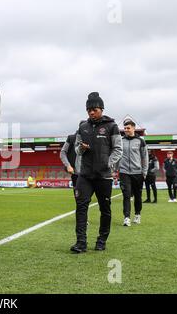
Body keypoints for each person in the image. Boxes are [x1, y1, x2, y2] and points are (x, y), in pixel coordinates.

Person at [71, 92, 122, 253]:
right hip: (84, 175)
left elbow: (118, 149)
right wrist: (81, 148)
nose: (91, 112)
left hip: (103, 176)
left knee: (105, 209)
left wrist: (107, 163)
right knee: (81, 207)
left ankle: (101, 240)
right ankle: (81, 242)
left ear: (101, 108)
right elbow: (77, 149)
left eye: (94, 109)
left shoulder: (111, 126)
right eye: (88, 110)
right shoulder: (83, 127)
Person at [118, 119, 148, 226]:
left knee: (138, 196)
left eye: (128, 128)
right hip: (124, 172)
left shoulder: (141, 141)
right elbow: (118, 156)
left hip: (137, 173)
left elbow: (144, 157)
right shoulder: (121, 141)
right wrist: (116, 170)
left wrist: (144, 172)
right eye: (124, 128)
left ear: (133, 128)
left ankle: (137, 215)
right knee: (126, 195)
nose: (126, 130)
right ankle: (126, 218)